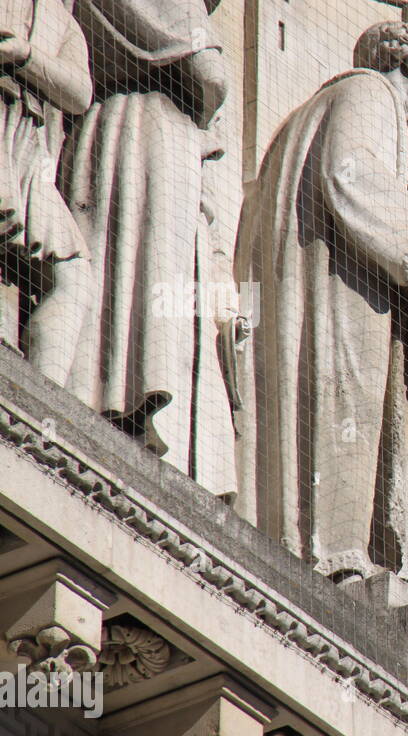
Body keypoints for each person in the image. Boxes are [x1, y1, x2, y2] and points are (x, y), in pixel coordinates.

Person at [233, 22, 408, 597]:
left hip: (316, 281)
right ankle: (339, 550)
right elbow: (353, 175)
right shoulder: (370, 92)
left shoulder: (311, 109)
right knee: (346, 395)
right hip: (343, 291)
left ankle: (314, 542)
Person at [50, 0, 237, 496]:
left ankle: (117, 400)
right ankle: (137, 409)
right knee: (155, 279)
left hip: (109, 135)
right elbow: (212, 74)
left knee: (134, 275)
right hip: (150, 133)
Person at [0, 0, 92, 371]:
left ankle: (42, 406)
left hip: (26, 143)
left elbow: (80, 94)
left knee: (73, 275)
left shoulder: (63, 20)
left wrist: (26, 56)